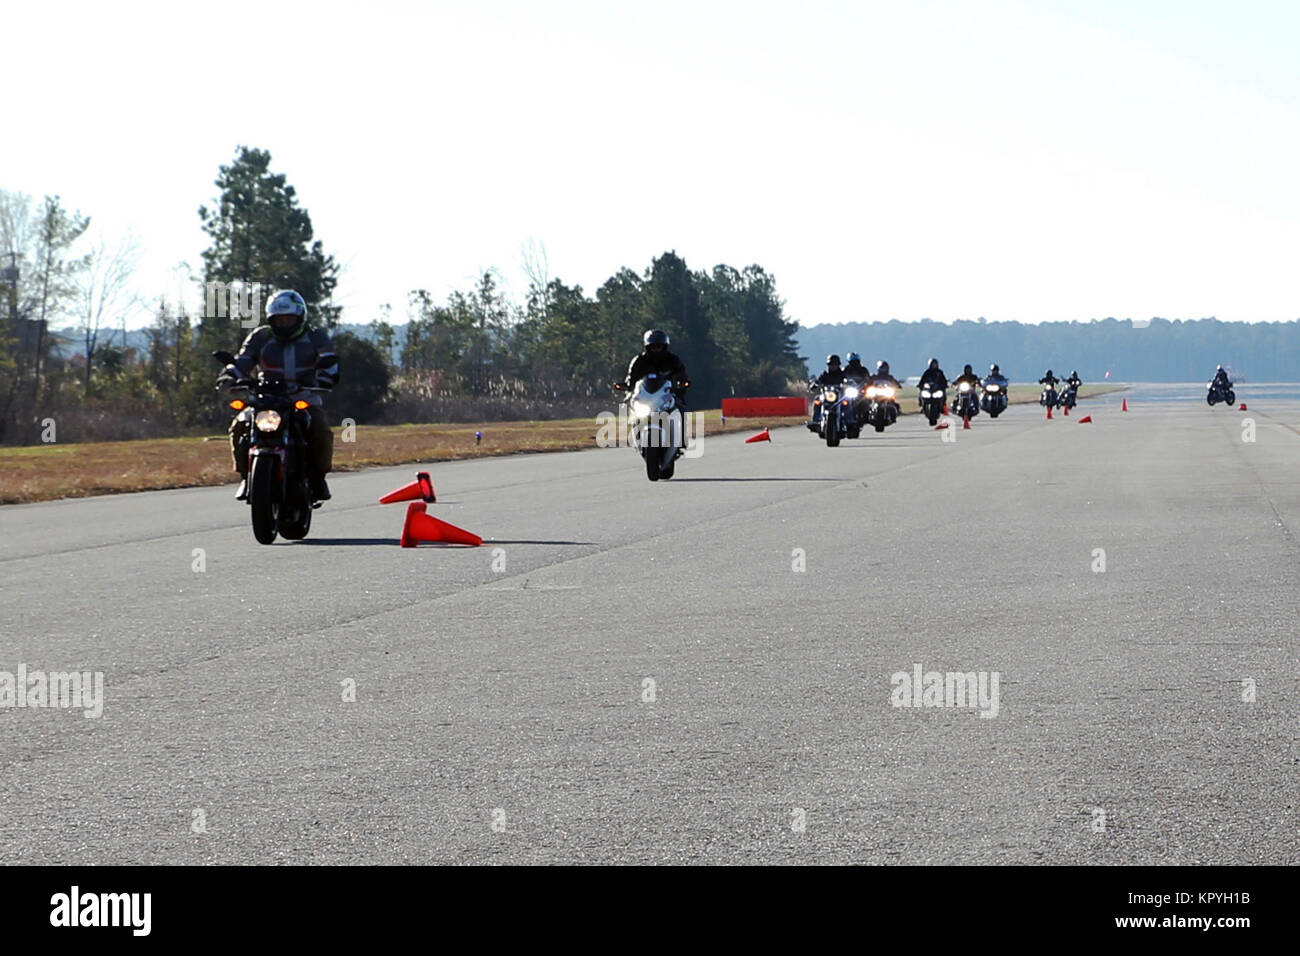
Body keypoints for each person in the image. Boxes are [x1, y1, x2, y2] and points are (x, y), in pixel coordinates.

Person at [220, 290, 338, 501]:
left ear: (300, 316)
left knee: (320, 429)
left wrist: (327, 378)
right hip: (266, 397)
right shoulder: (261, 336)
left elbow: (329, 358)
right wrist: (229, 375)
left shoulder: (315, 335)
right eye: (279, 319)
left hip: (303, 396)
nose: (284, 323)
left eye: (288, 318)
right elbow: (243, 360)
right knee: (239, 426)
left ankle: (318, 478)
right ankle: (246, 477)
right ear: (271, 319)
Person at [625, 330, 689, 405]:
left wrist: (680, 385)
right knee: (628, 405)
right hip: (644, 395)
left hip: (667, 394)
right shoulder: (639, 361)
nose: (656, 350)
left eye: (659, 347)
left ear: (664, 347)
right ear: (648, 347)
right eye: (653, 347)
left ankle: (681, 415)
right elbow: (631, 376)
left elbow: (681, 374)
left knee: (679, 404)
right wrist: (629, 386)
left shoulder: (673, 360)